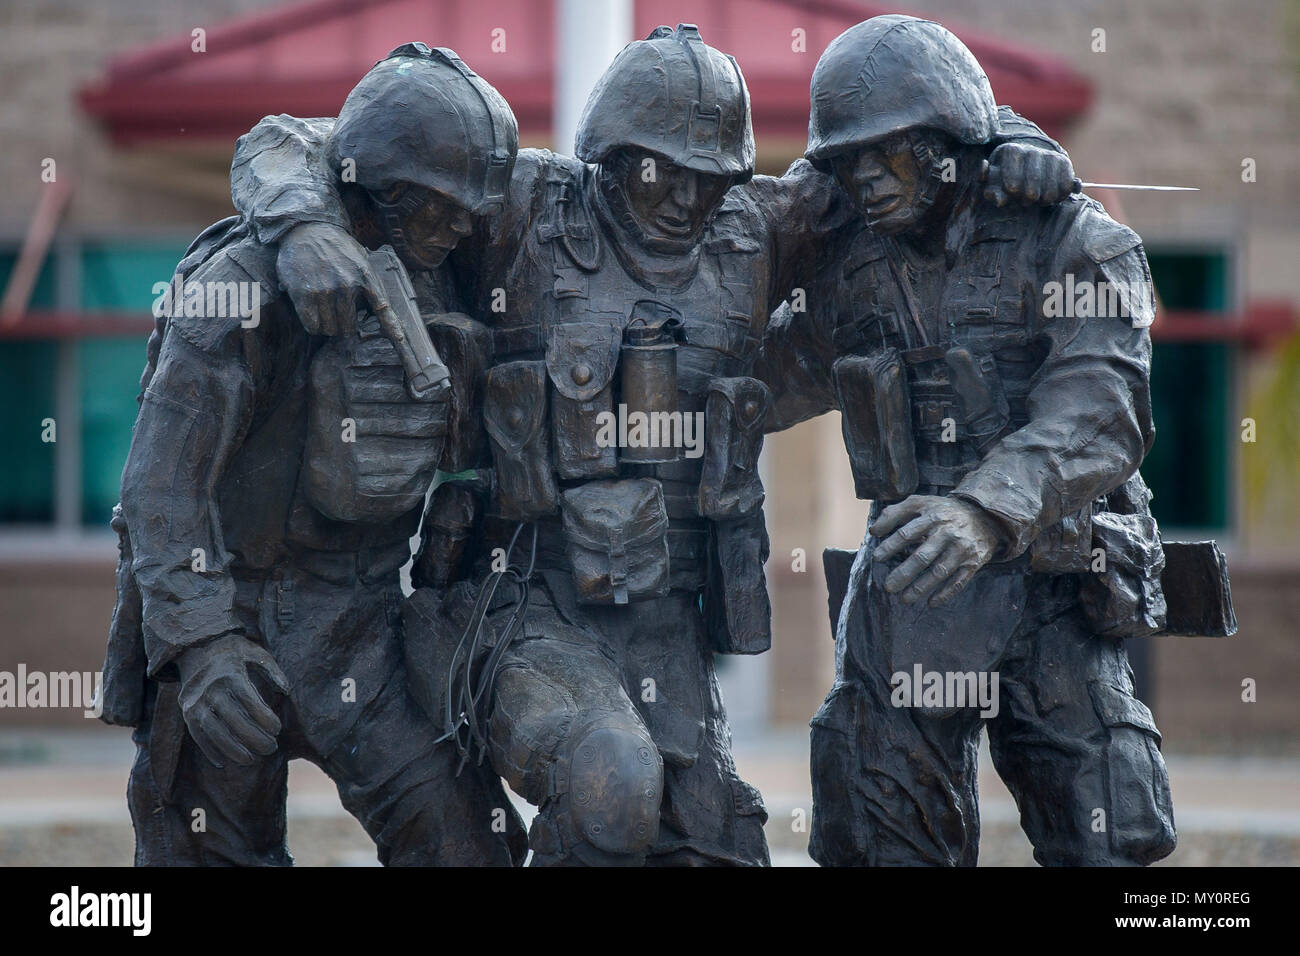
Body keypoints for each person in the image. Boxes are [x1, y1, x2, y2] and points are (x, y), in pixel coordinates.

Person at [224, 23, 1075, 866]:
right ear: (610, 155)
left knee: (714, 850)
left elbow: (902, 143)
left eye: (711, 180)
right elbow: (296, 142)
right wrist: (302, 228)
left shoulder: (757, 227)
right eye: (660, 172)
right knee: (609, 786)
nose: (687, 201)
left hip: (664, 622)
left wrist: (1007, 138)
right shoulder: (521, 209)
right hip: (519, 599)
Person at [759, 15, 1176, 866]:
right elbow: (758, 382)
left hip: (1057, 592)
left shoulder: (1072, 239)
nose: (867, 179)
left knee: (1108, 834)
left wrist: (985, 511)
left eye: (891, 153)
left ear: (953, 136)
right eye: (847, 162)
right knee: (878, 840)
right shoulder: (849, 262)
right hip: (911, 596)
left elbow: (1103, 406)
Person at [99, 44, 527, 866]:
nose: (458, 227)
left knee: (468, 844)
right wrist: (203, 645)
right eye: (434, 205)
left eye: (468, 210)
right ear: (373, 182)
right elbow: (160, 491)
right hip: (233, 617)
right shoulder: (238, 289)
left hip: (362, 623)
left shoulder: (440, 279)